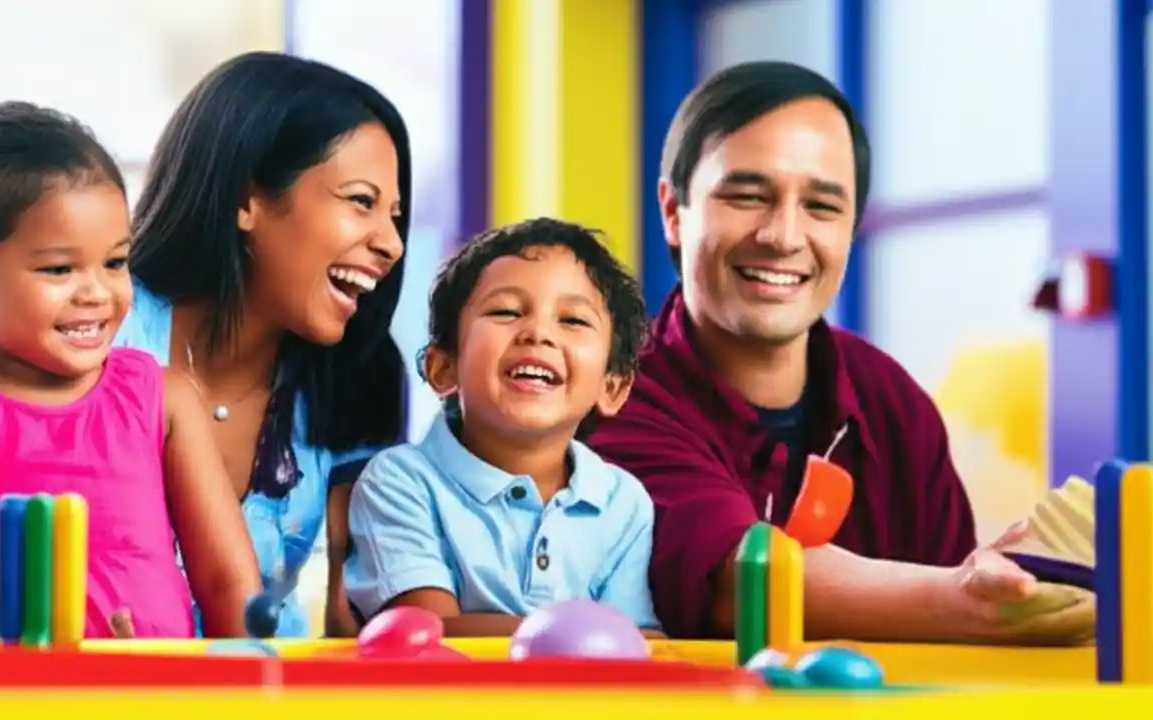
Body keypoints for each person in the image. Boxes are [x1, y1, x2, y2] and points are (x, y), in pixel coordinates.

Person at [588, 61, 1095, 644]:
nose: (783, 236)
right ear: (674, 212)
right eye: (748, 196)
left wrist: (1000, 591)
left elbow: (957, 623)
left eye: (822, 207)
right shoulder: (614, 396)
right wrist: (964, 601)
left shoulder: (891, 400)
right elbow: (737, 581)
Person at [0, 101, 260, 639]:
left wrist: (247, 685)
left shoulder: (162, 398)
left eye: (115, 262)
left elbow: (226, 581)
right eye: (59, 268)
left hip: (154, 695)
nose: (97, 293)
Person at [113, 52, 411, 637]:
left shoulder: (359, 376)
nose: (393, 244)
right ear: (247, 199)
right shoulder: (100, 329)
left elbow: (353, 618)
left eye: (395, 215)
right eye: (360, 201)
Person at [342, 218, 661, 637]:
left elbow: (638, 641)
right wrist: (576, 638)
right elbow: (427, 634)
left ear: (612, 387)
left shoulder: (623, 502)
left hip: (586, 705)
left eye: (574, 321)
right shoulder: (401, 481)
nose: (538, 333)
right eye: (506, 311)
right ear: (443, 368)